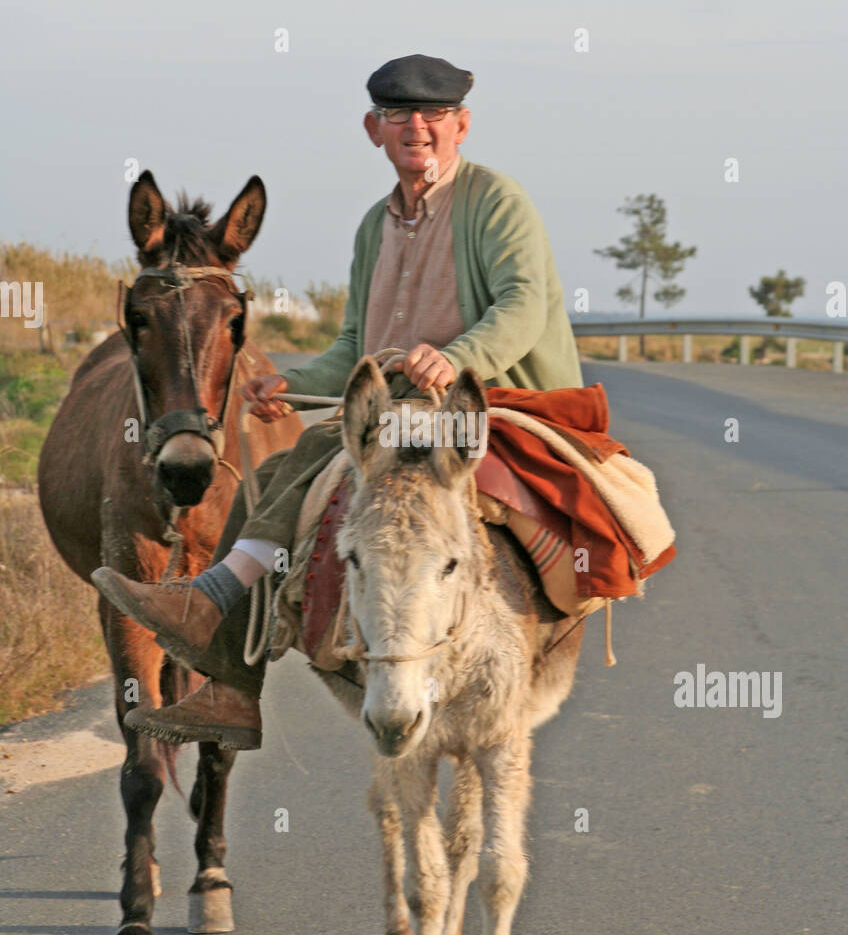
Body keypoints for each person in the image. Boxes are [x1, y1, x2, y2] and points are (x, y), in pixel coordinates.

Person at [92, 54, 583, 749]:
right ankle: (232, 684)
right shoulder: (371, 227)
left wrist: (455, 357)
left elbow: (523, 306)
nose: (417, 127)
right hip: (397, 409)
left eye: (434, 115)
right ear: (372, 129)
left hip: (491, 401)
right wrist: (290, 382)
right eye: (397, 115)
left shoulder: (497, 201)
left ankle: (212, 610)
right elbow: (357, 342)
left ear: (461, 125)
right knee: (279, 470)